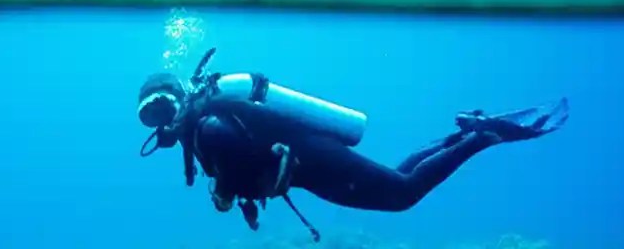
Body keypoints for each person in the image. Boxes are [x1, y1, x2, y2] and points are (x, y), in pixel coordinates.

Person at [137, 48, 568, 243]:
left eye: (159, 109)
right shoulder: (204, 124)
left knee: (402, 195)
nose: (158, 123)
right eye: (149, 116)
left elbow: (233, 165)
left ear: (177, 98)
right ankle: (464, 133)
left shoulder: (208, 128)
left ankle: (483, 137)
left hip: (311, 161)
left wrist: (225, 194)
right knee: (399, 179)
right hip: (311, 161)